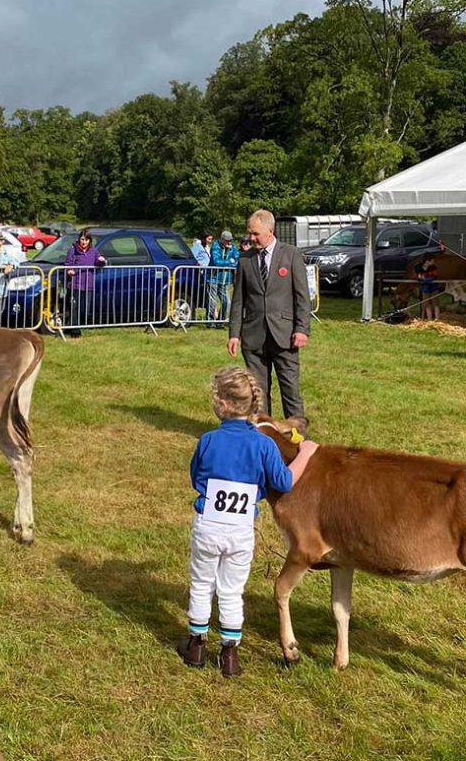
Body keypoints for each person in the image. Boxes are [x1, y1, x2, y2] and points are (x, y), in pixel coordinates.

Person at [181, 366, 319, 675]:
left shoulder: (207, 440)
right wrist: (306, 454)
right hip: (241, 530)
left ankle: (196, 646)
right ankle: (230, 655)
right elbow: (283, 482)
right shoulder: (265, 446)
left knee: (202, 584)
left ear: (223, 404)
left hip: (208, 525)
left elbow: (195, 477)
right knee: (232, 589)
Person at [228, 209, 311, 419]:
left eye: (255, 234)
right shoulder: (245, 259)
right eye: (250, 233)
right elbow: (238, 300)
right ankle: (264, 436)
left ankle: (298, 439)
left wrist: (302, 329)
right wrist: (234, 334)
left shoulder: (291, 254)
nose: (251, 238)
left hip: (285, 336)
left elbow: (302, 297)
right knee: (258, 393)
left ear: (270, 231)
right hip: (254, 337)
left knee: (290, 390)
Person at [64, 229, 106, 338]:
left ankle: (69, 327)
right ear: (79, 239)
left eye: (86, 240)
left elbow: (99, 262)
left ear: (89, 241)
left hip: (88, 285)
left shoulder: (94, 251)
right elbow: (68, 263)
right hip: (75, 284)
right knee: (74, 308)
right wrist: (69, 270)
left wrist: (102, 260)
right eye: (82, 239)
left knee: (84, 310)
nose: (84, 242)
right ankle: (75, 332)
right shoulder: (73, 250)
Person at [209, 230, 239, 327]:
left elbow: (237, 260)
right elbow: (217, 261)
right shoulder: (215, 246)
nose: (230, 243)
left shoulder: (233, 247)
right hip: (213, 278)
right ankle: (210, 322)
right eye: (228, 241)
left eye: (231, 240)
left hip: (225, 279)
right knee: (212, 301)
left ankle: (220, 321)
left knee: (227, 301)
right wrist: (230, 262)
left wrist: (230, 262)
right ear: (222, 240)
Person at [416, 255, 440, 320]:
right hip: (425, 288)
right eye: (432, 260)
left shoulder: (434, 267)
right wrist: (424, 279)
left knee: (435, 303)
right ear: (427, 261)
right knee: (427, 304)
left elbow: (434, 276)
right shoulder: (419, 268)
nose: (434, 262)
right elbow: (419, 277)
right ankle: (429, 319)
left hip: (433, 287)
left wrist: (425, 279)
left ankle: (437, 318)